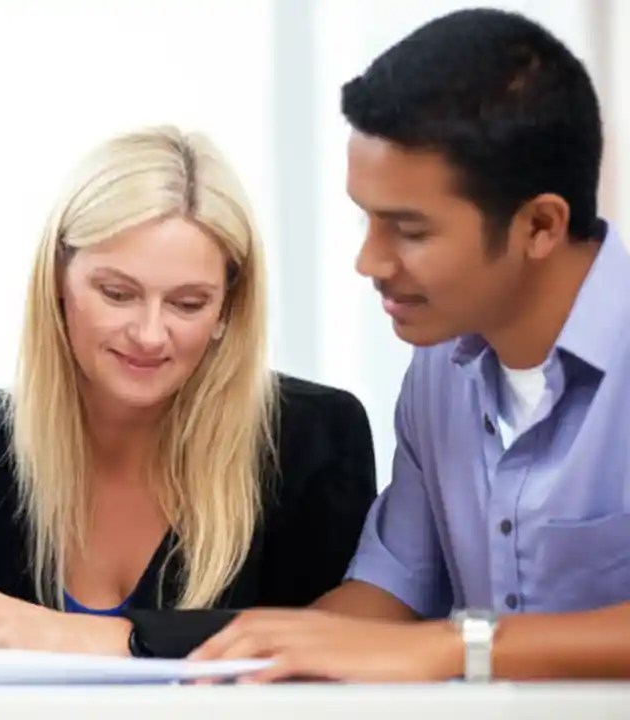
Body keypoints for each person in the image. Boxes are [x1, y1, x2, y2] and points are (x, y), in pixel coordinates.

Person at [191, 8, 630, 682]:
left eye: (409, 230)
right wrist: (202, 655)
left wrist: (458, 647)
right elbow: (390, 594)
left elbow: (423, 644)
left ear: (540, 225)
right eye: (366, 218)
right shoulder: (441, 366)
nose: (368, 260)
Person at [0, 125, 377, 658]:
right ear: (58, 280)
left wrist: (89, 637)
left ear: (227, 309)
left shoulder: (313, 438)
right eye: (118, 294)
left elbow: (338, 643)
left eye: (188, 303)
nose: (150, 334)